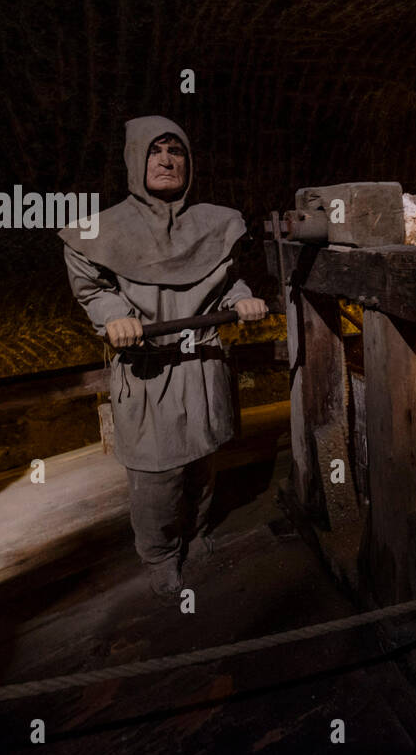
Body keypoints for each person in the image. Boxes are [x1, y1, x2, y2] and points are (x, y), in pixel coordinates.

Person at [59, 116, 268, 600]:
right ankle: (159, 555)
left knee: (202, 462)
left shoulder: (214, 224)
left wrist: (242, 299)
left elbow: (226, 278)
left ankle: (196, 534)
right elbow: (94, 290)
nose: (168, 160)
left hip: (203, 365)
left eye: (176, 151)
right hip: (149, 370)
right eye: (156, 151)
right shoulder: (101, 230)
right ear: (135, 160)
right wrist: (116, 315)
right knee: (157, 477)